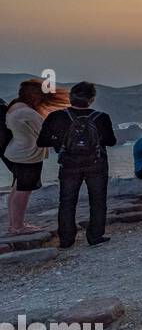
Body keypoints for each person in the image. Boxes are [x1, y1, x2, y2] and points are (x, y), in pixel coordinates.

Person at [35, 81, 115, 248]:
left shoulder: (57, 116)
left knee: (67, 201)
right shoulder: (101, 117)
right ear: (91, 99)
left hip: (69, 165)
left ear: (70, 97)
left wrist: (61, 141)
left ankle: (66, 240)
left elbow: (42, 141)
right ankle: (95, 237)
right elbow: (111, 141)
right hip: (96, 164)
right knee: (98, 200)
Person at [3, 79, 67, 234]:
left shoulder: (14, 106)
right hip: (27, 154)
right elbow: (45, 133)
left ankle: (14, 224)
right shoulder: (27, 112)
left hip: (16, 151)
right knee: (24, 190)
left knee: (17, 188)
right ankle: (18, 227)